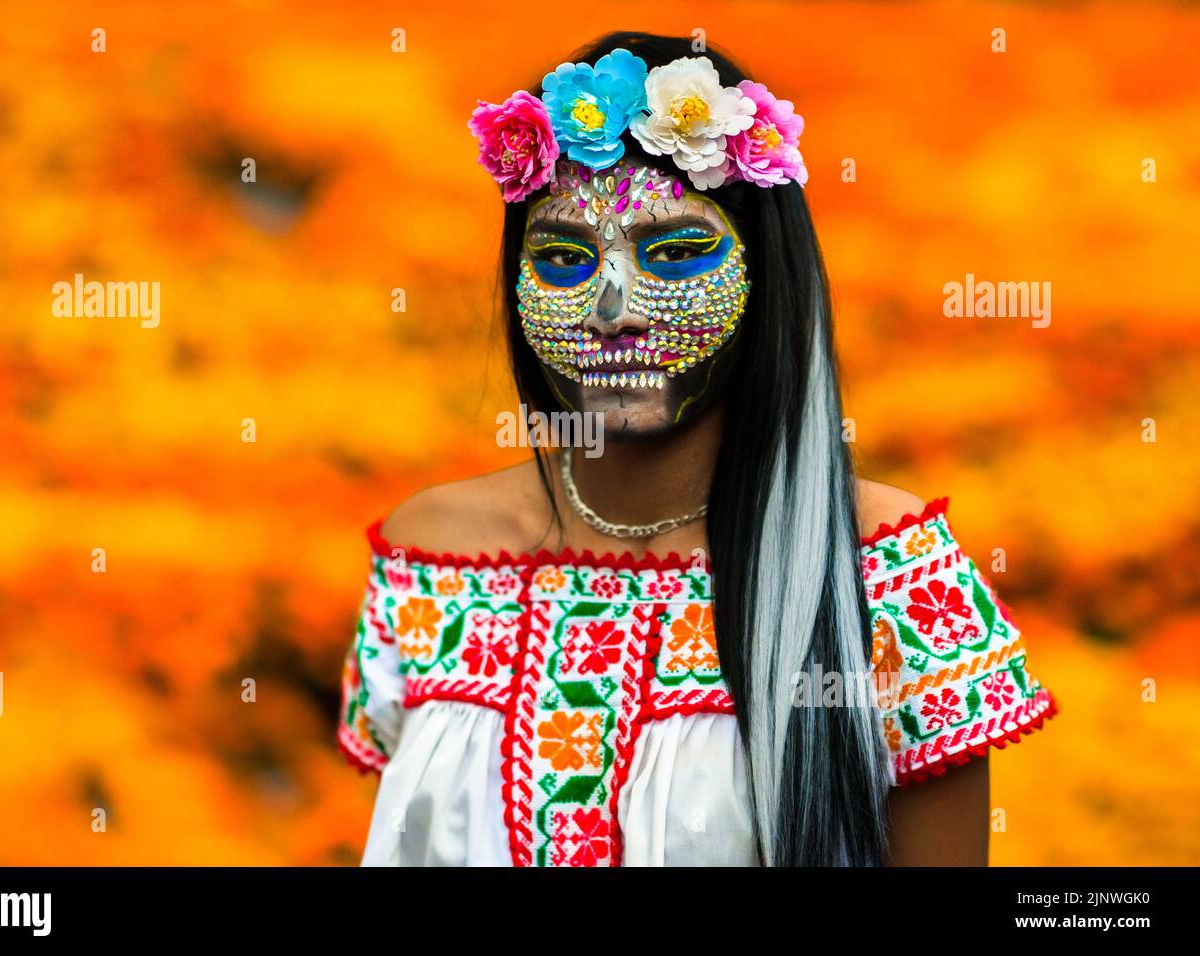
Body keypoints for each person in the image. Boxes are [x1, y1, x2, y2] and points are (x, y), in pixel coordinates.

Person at [337, 31, 1057, 866]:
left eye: (676, 253)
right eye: (564, 260)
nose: (614, 309)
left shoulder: (887, 574)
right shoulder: (437, 554)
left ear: (767, 274)